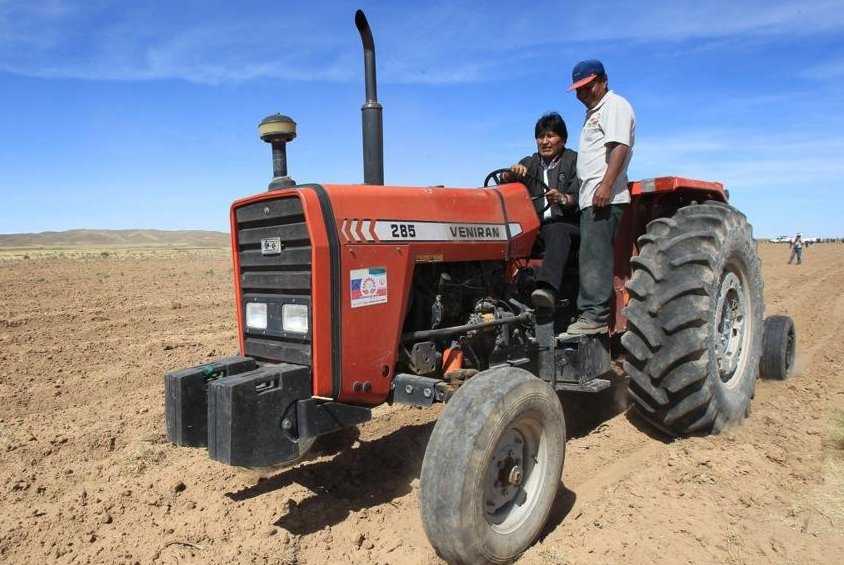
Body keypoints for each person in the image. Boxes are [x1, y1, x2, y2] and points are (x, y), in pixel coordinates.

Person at [565, 59, 636, 335]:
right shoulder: (595, 111)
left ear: (603, 80)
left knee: (595, 256)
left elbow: (619, 146)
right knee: (588, 255)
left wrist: (606, 185)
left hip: (603, 196)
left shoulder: (615, 105)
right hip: (590, 196)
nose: (582, 94)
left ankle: (594, 315)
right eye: (578, 90)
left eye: (587, 87)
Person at [502, 112, 580, 310]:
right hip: (538, 229)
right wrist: (511, 173)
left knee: (557, 231)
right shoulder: (530, 162)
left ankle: (546, 290)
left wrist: (563, 199)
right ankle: (497, 292)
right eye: (540, 137)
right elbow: (505, 179)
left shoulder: (575, 161)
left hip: (568, 225)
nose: (544, 141)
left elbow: (580, 196)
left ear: (562, 139)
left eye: (550, 136)